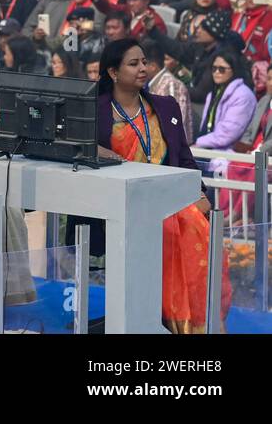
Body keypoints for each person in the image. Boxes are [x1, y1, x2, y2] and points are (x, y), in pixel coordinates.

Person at [94, 39, 228, 333]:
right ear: (113, 73)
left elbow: (184, 158)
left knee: (189, 223)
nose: (143, 68)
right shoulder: (95, 111)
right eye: (133, 63)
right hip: (120, 205)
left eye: (144, 62)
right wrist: (95, 150)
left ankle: (188, 324)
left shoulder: (164, 106)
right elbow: (81, 154)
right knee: (174, 226)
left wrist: (200, 193)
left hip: (170, 202)